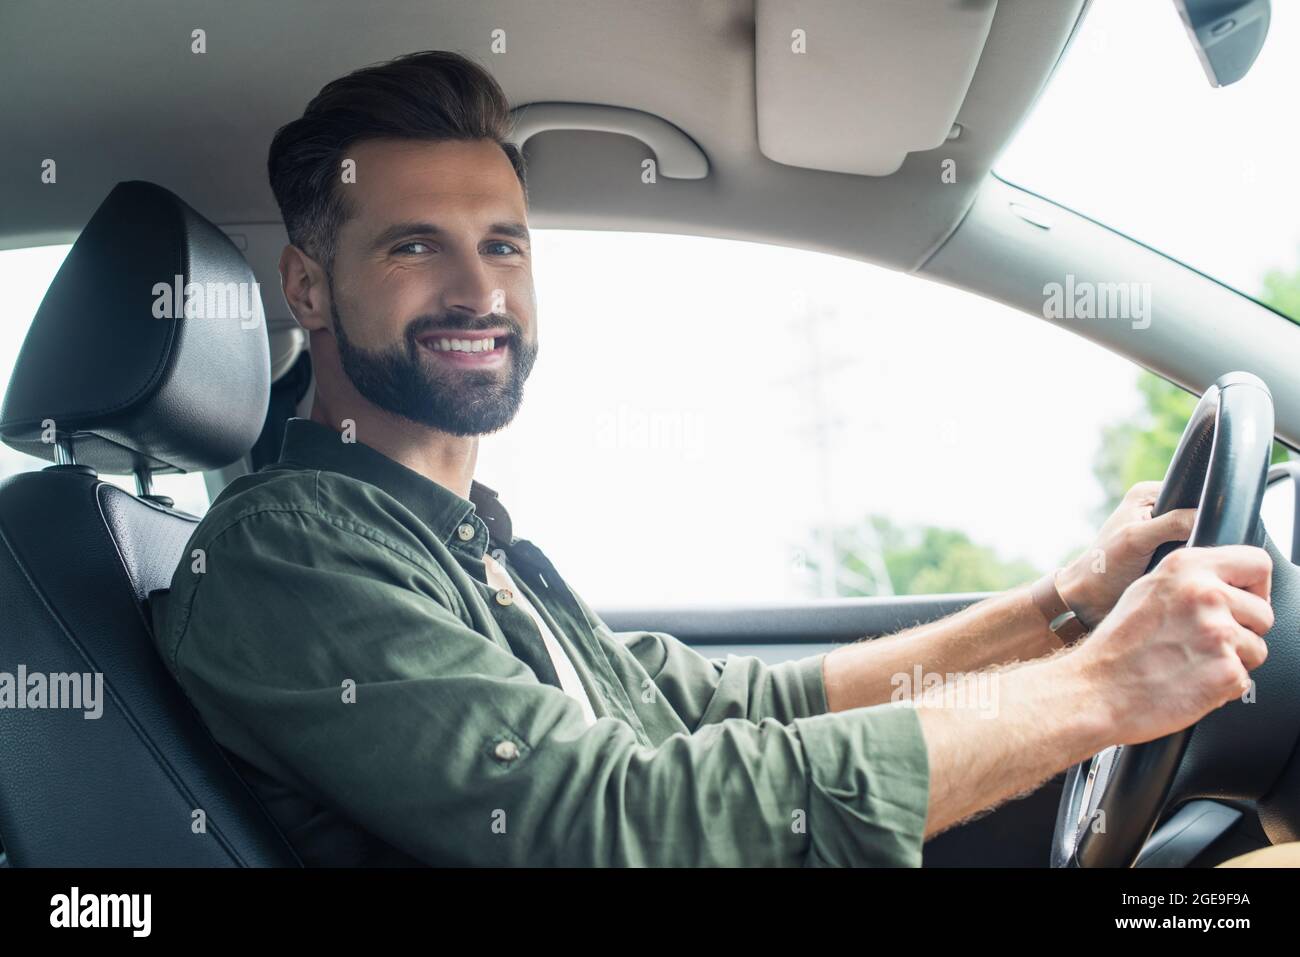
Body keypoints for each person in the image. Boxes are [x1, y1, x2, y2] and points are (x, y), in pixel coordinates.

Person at [149, 51, 1275, 867]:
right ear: (308, 290)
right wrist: (1100, 690)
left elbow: (751, 701)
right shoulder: (287, 550)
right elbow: (610, 823)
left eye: (502, 244)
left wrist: (1065, 609)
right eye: (414, 248)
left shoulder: (470, 548)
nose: (479, 292)